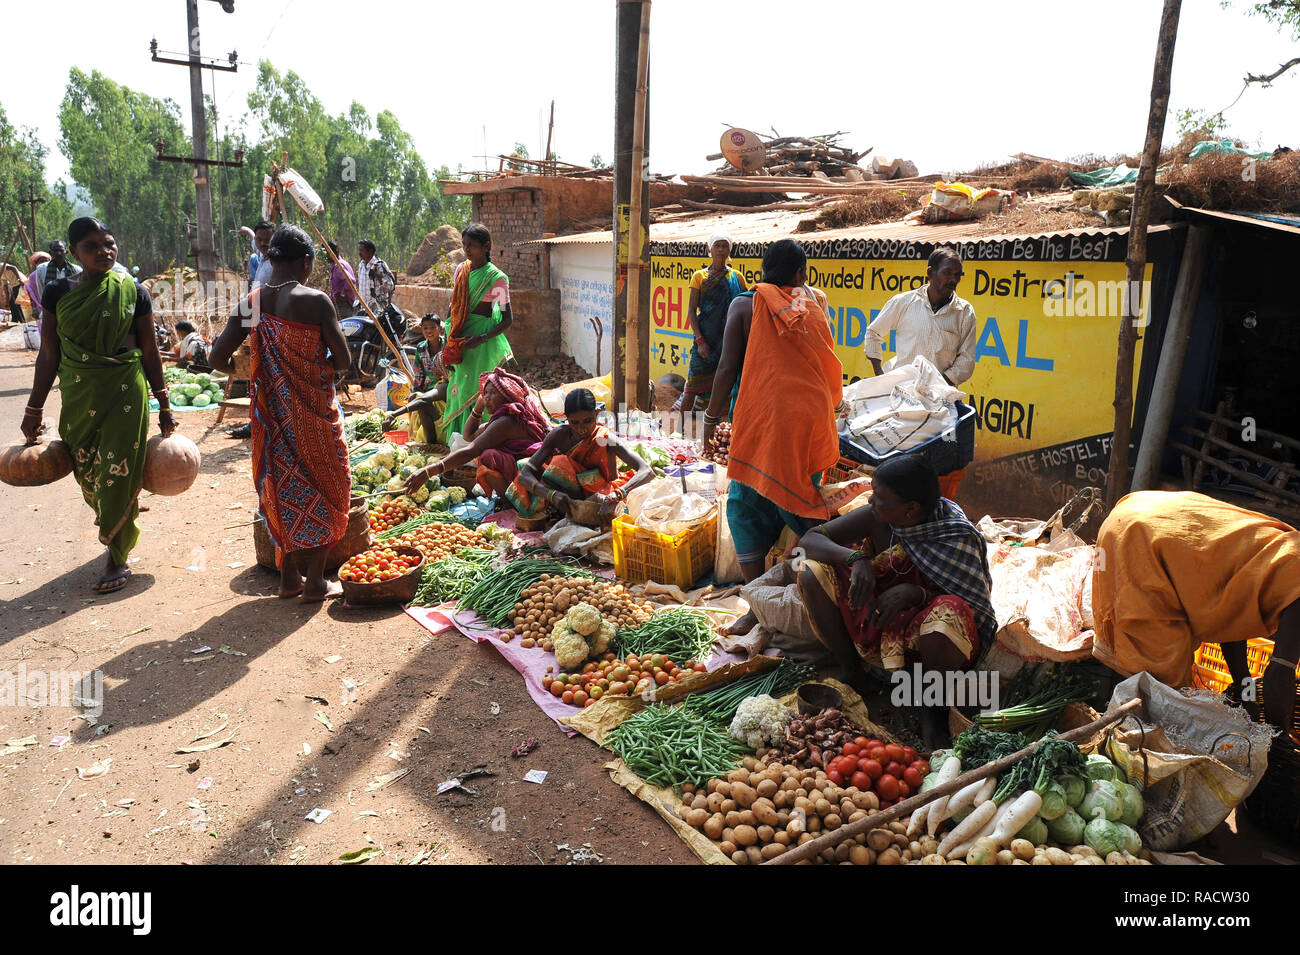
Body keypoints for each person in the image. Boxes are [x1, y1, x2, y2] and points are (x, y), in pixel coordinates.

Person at [795, 454, 997, 748]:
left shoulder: (955, 534)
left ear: (910, 510)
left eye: (879, 498)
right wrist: (856, 557)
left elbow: (973, 607)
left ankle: (933, 710)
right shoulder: (877, 519)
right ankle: (853, 671)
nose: (870, 502)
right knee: (811, 572)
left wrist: (917, 594)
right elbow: (810, 540)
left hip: (929, 643)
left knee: (948, 615)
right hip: (878, 620)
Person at [20, 216, 177, 593]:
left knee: (120, 470)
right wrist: (33, 408)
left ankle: (117, 554)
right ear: (75, 252)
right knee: (88, 468)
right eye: (92, 246)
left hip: (126, 390)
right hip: (79, 393)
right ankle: (113, 521)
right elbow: (49, 353)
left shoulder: (133, 290)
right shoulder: (58, 293)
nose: (104, 251)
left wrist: (165, 402)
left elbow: (150, 350)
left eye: (109, 243)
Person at [209, 224, 352, 601]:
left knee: (284, 486)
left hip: (272, 418)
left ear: (271, 260)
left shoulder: (253, 303)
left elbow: (216, 357)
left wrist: (256, 372)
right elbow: (342, 361)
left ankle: (289, 578)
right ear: (306, 262)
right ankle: (317, 579)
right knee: (327, 484)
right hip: (314, 416)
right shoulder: (316, 301)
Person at [1092, 491, 1300, 747]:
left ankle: (1125, 730)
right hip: (1144, 539)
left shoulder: (1286, 555)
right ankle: (1124, 744)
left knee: (1157, 688)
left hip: (1136, 518)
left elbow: (1231, 629)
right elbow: (1279, 675)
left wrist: (1247, 698)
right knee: (1165, 693)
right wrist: (1277, 739)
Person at [702, 239, 845, 609]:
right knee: (799, 499)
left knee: (745, 503)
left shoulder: (744, 304)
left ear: (763, 271)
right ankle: (823, 585)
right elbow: (825, 361)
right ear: (800, 273)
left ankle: (766, 601)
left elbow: (726, 368)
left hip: (760, 417)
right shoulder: (810, 304)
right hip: (807, 422)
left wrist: (709, 417)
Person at [863, 246, 977, 499]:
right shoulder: (904, 302)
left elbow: (967, 361)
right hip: (899, 399)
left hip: (939, 404)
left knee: (935, 467)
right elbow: (873, 333)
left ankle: (928, 511)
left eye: (958, 275)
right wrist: (881, 375)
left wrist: (936, 386)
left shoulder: (964, 312)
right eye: (948, 273)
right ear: (930, 273)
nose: (954, 280)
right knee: (895, 465)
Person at [403, 367, 551, 500]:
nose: (486, 397)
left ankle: (510, 501)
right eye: (485, 393)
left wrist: (429, 471)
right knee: (486, 454)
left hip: (534, 475)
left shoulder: (507, 421)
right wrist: (479, 407)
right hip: (527, 473)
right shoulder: (502, 420)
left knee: (488, 457)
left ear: (508, 397)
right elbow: (469, 436)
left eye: (493, 393)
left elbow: (471, 450)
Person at [506, 388, 653, 520]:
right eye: (574, 423)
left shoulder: (605, 438)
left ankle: (570, 512)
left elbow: (647, 471)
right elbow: (526, 474)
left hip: (601, 496)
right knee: (526, 464)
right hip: (566, 496)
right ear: (566, 419)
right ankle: (555, 510)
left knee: (560, 463)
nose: (581, 428)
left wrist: (618, 494)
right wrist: (550, 494)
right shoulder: (558, 435)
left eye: (588, 421)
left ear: (596, 414)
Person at [439, 224, 514, 436]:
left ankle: (483, 440)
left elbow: (506, 319)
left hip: (481, 347)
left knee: (480, 394)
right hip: (460, 343)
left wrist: (480, 338)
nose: (466, 250)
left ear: (486, 246)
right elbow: (453, 307)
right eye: (464, 245)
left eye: (471, 245)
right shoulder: (461, 271)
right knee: (458, 392)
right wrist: (448, 337)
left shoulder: (496, 278)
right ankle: (456, 441)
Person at [674, 233, 748, 413]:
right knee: (692, 386)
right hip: (706, 340)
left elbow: (745, 304)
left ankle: (717, 433)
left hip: (729, 341)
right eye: (718, 246)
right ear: (710, 249)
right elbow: (692, 310)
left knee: (725, 387)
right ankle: (678, 432)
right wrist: (700, 341)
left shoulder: (737, 277)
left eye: (725, 246)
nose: (721, 250)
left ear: (730, 249)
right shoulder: (699, 277)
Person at [28, 242, 82, 319]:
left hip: (71, 312)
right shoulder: (41, 269)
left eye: (61, 250)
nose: (59, 253)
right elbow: (41, 292)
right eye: (55, 251)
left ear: (66, 252)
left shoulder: (77, 270)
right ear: (50, 253)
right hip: (50, 312)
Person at [356, 239, 396, 316]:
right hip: (364, 309)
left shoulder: (380, 265)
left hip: (378, 310)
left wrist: (377, 276)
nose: (359, 253)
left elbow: (390, 286)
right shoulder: (361, 265)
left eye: (362, 250)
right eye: (359, 250)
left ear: (370, 251)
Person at [326, 241, 357, 317]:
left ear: (334, 252)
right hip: (343, 305)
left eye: (327, 253)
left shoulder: (338, 266)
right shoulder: (340, 264)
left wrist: (342, 294)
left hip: (343, 306)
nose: (325, 256)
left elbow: (350, 281)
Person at [241, 220, 274, 289]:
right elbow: (253, 239)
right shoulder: (262, 254)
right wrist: (247, 230)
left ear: (274, 240)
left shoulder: (276, 264)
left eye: (267, 240)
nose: (263, 243)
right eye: (259, 239)